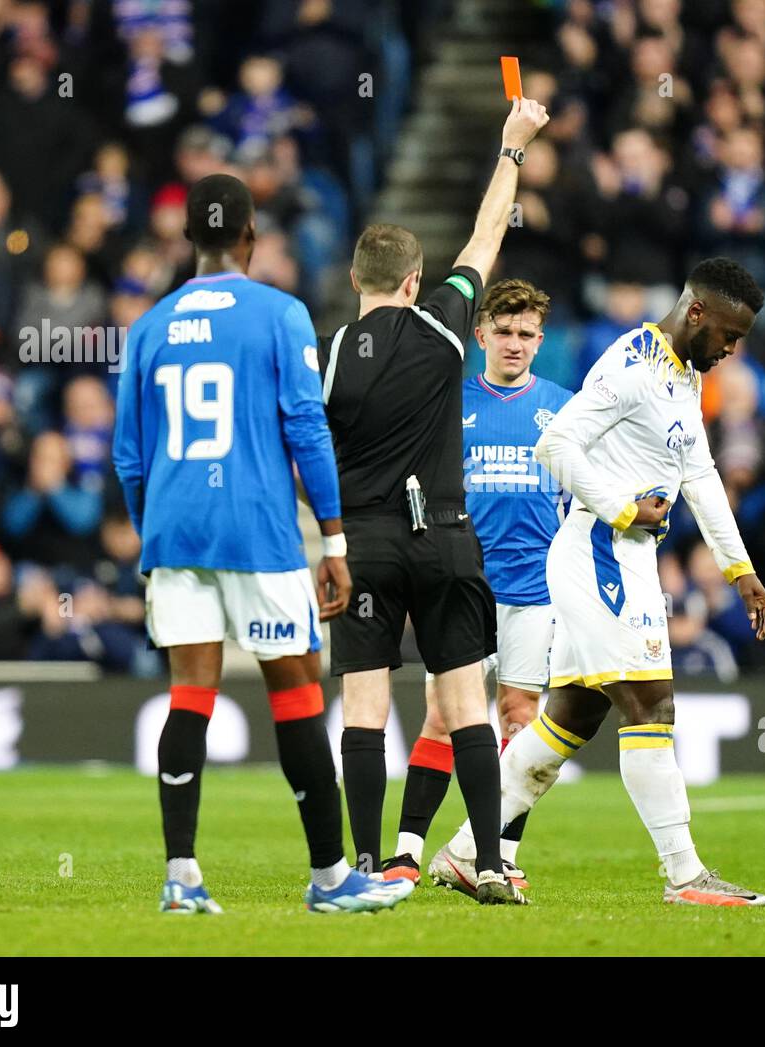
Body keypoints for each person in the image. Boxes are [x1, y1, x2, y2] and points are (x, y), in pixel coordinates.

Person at [432, 258, 765, 908]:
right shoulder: (632, 366)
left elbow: (699, 473)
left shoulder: (680, 375)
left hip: (626, 557)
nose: (732, 350)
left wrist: (741, 569)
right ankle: (685, 874)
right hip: (601, 550)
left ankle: (463, 849)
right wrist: (620, 506)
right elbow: (555, 445)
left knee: (566, 721)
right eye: (729, 334)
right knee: (652, 705)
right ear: (696, 312)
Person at [112, 173, 411, 916]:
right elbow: (306, 428)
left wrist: (155, 525)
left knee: (191, 693)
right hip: (259, 531)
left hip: (175, 532)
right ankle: (331, 876)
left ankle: (181, 875)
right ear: (250, 237)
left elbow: (128, 457)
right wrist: (335, 536)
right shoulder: (280, 314)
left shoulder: (149, 326)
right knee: (296, 691)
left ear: (188, 239)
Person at [319, 98, 549, 906]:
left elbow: (312, 456)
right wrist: (510, 149)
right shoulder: (447, 325)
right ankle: (489, 862)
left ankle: (370, 863)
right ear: (417, 281)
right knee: (464, 705)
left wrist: (325, 547)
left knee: (364, 705)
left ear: (355, 280)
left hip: (367, 545)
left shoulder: (331, 354)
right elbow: (488, 235)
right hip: (447, 539)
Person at [380, 278, 572, 891]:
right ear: (480, 334)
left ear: (540, 342)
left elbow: (583, 500)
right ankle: (406, 851)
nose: (514, 343)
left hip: (537, 591)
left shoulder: (565, 410)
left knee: (521, 719)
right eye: (504, 332)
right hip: (463, 586)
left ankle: (499, 854)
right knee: (442, 714)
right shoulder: (450, 408)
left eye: (526, 334)